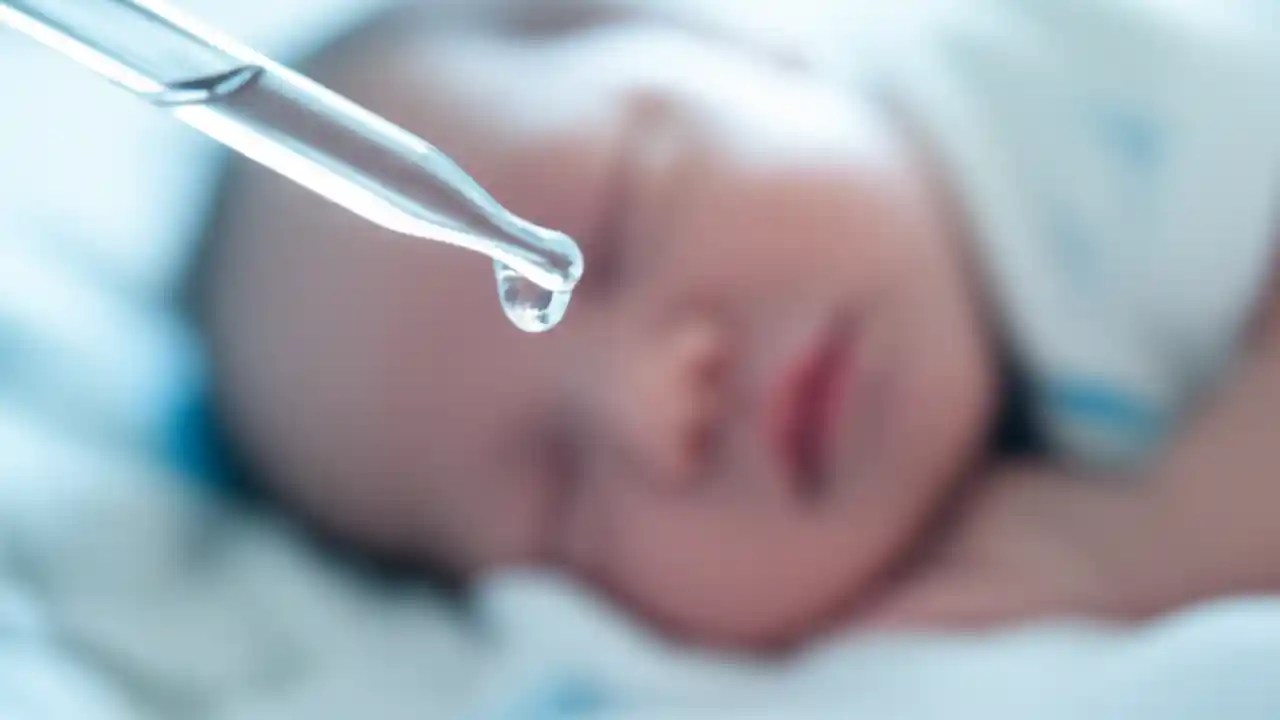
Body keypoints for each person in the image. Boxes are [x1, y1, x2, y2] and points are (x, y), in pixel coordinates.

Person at [187, 0, 1280, 648]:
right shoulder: (920, 628)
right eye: (561, 489)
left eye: (618, 231)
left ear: (747, 40)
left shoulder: (1081, 78)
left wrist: (1157, 537)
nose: (659, 401)